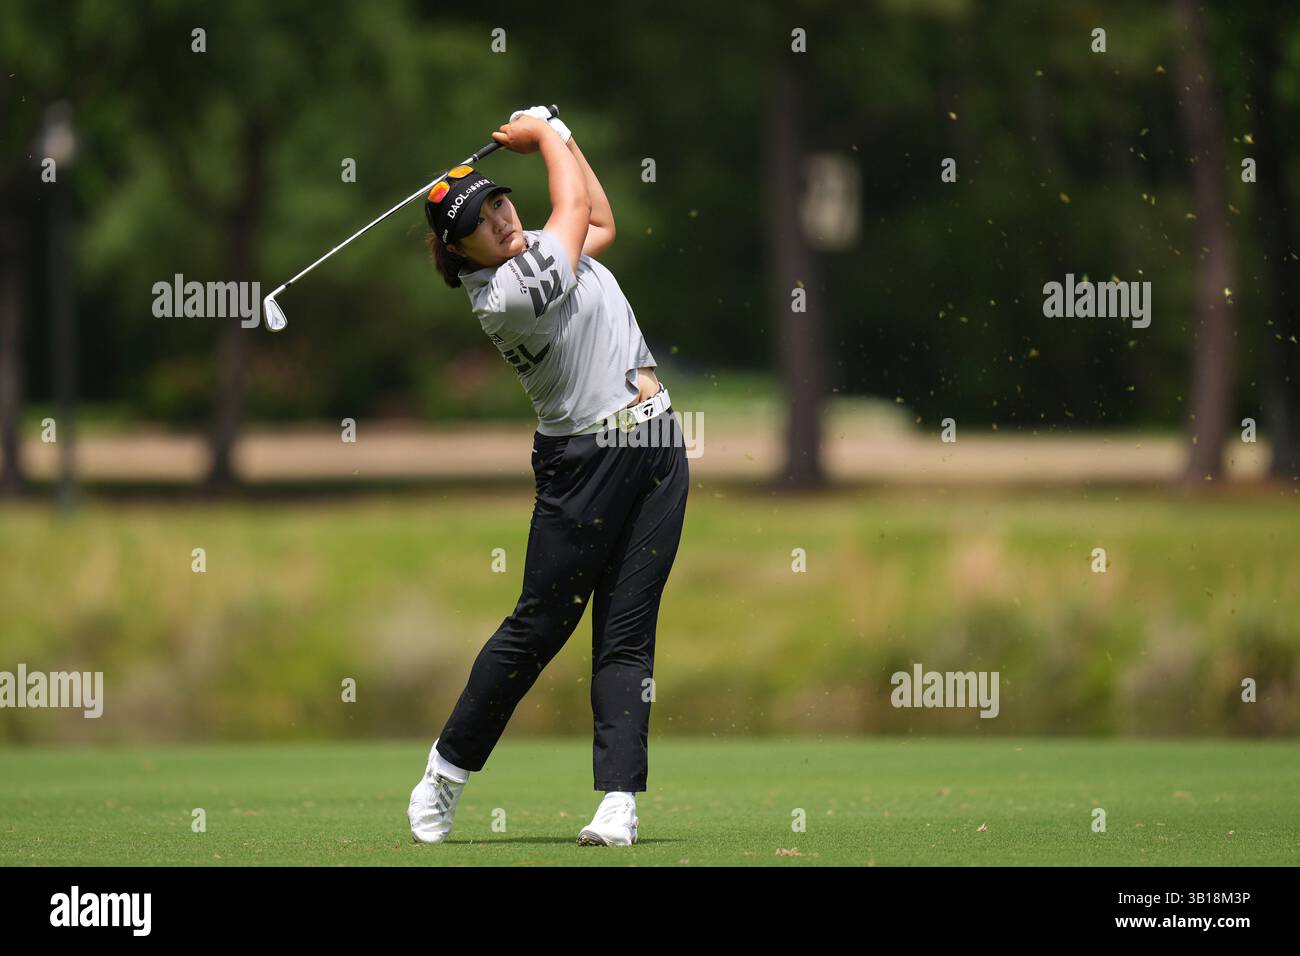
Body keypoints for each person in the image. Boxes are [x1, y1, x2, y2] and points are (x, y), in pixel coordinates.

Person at [407, 106, 689, 847]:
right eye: (479, 219)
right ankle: (446, 771)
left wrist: (560, 137)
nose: (500, 218)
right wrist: (545, 138)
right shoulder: (504, 295)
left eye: (499, 200)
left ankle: (618, 804)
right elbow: (570, 206)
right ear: (458, 247)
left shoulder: (536, 245)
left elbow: (598, 218)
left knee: (627, 637)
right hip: (584, 468)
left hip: (657, 448)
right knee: (538, 628)